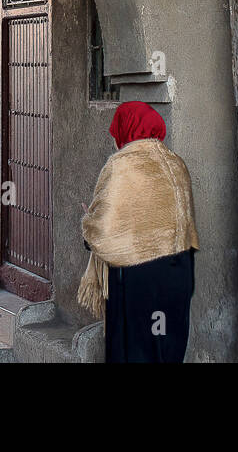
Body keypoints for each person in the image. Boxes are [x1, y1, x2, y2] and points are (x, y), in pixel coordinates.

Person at [78, 101, 199, 363]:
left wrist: (89, 220)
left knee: (134, 350)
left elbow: (102, 230)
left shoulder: (121, 166)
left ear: (126, 128)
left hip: (138, 276)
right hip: (179, 273)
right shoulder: (176, 164)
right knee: (167, 347)